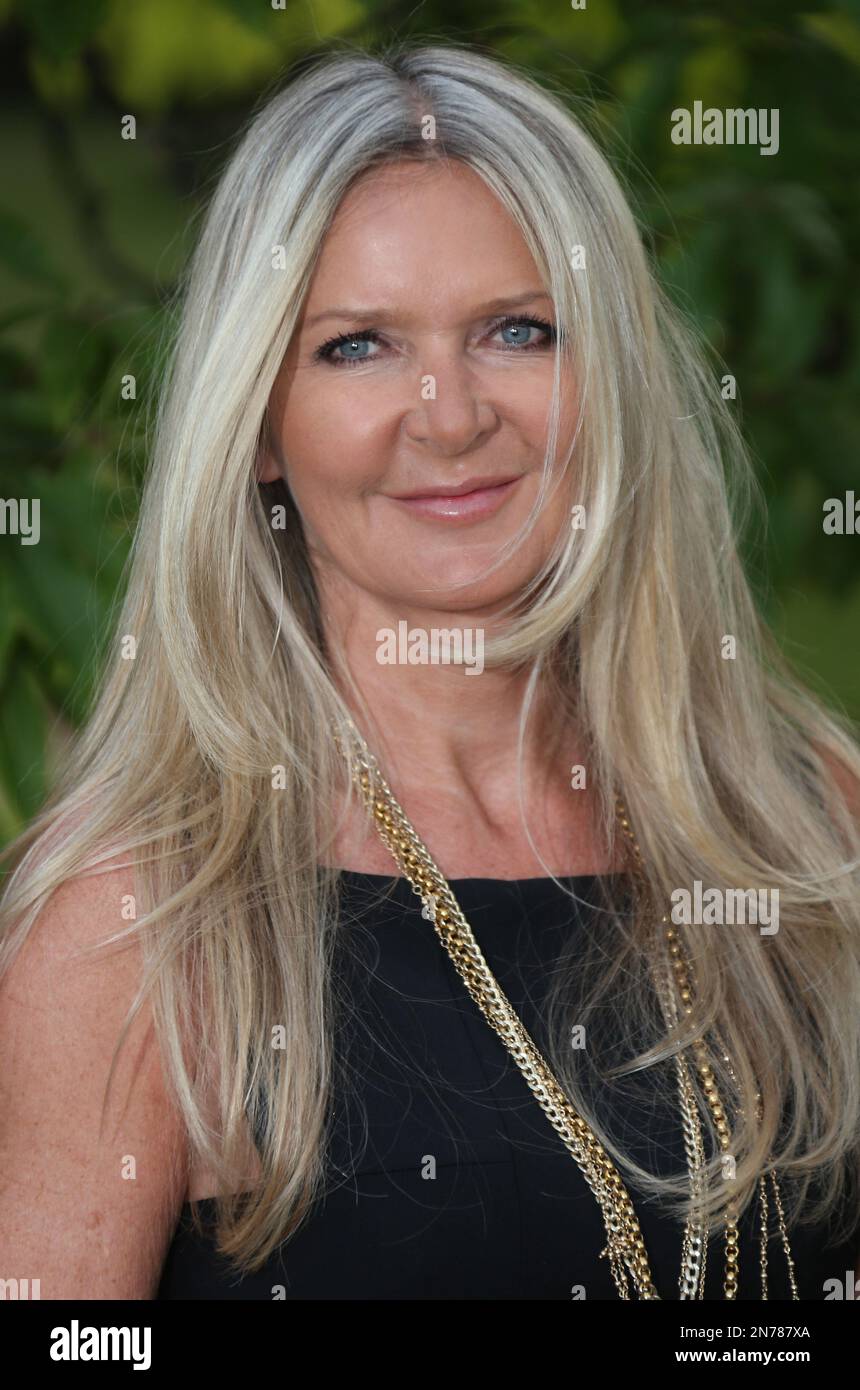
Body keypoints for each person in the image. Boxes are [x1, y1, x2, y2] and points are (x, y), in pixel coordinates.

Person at [1, 42, 858, 1302]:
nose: (448, 415)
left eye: (517, 330)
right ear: (258, 429)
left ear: (607, 381)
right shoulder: (140, 923)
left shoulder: (813, 823)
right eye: (356, 346)